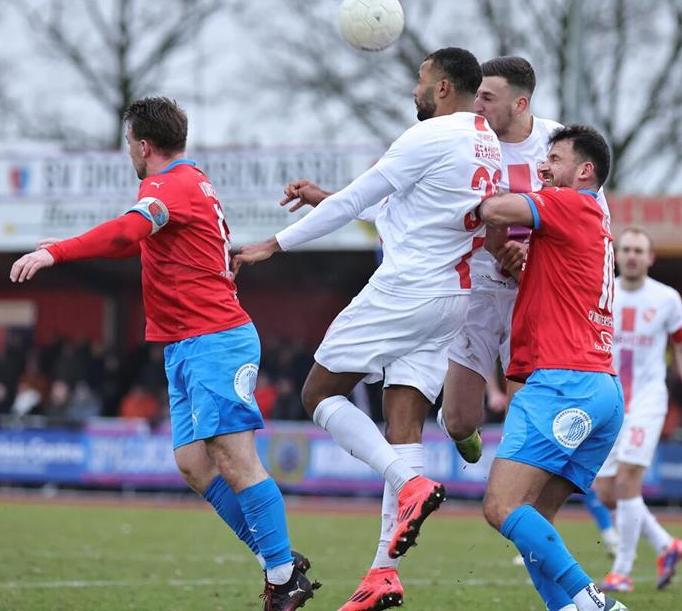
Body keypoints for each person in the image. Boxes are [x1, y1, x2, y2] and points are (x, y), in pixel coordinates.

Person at [9, 97, 317, 610]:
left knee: (235, 460)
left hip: (215, 339)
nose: (129, 151)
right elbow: (144, 239)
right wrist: (71, 241)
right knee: (193, 463)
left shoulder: (167, 185)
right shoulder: (188, 182)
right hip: (188, 343)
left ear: (144, 145)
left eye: (130, 143)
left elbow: (127, 231)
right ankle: (278, 557)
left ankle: (283, 577)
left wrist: (54, 252)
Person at [233, 48, 499, 611]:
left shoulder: (427, 135)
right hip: (451, 299)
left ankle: (408, 482)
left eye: (421, 80)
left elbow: (362, 196)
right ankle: (383, 573)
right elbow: (403, 212)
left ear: (443, 87)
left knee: (318, 393)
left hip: (405, 291)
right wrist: (324, 197)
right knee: (404, 423)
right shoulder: (486, 144)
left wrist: (274, 243)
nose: (414, 90)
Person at [434, 55, 618, 556]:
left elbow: (588, 227)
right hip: (480, 288)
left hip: (533, 294)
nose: (476, 105)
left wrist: (528, 253)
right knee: (459, 420)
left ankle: (525, 518)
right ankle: (490, 469)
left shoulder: (558, 146)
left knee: (527, 415)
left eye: (487, 97)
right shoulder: (465, 138)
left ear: (520, 103)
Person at [477, 125, 628, 611]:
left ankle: (595, 602)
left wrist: (490, 176)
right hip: (600, 388)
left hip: (563, 382)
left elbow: (493, 209)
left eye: (555, 159)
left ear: (585, 171)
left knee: (501, 506)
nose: (545, 166)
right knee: (533, 518)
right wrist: (519, 265)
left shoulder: (571, 202)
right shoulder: (589, 221)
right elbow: (558, 285)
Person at [593, 227, 682, 594]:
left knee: (628, 480)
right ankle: (665, 544)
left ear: (650, 258)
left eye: (638, 251)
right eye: (626, 249)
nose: (631, 256)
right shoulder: (601, 291)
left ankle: (622, 571)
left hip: (647, 401)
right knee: (606, 492)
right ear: (616, 254)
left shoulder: (667, 299)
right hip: (609, 403)